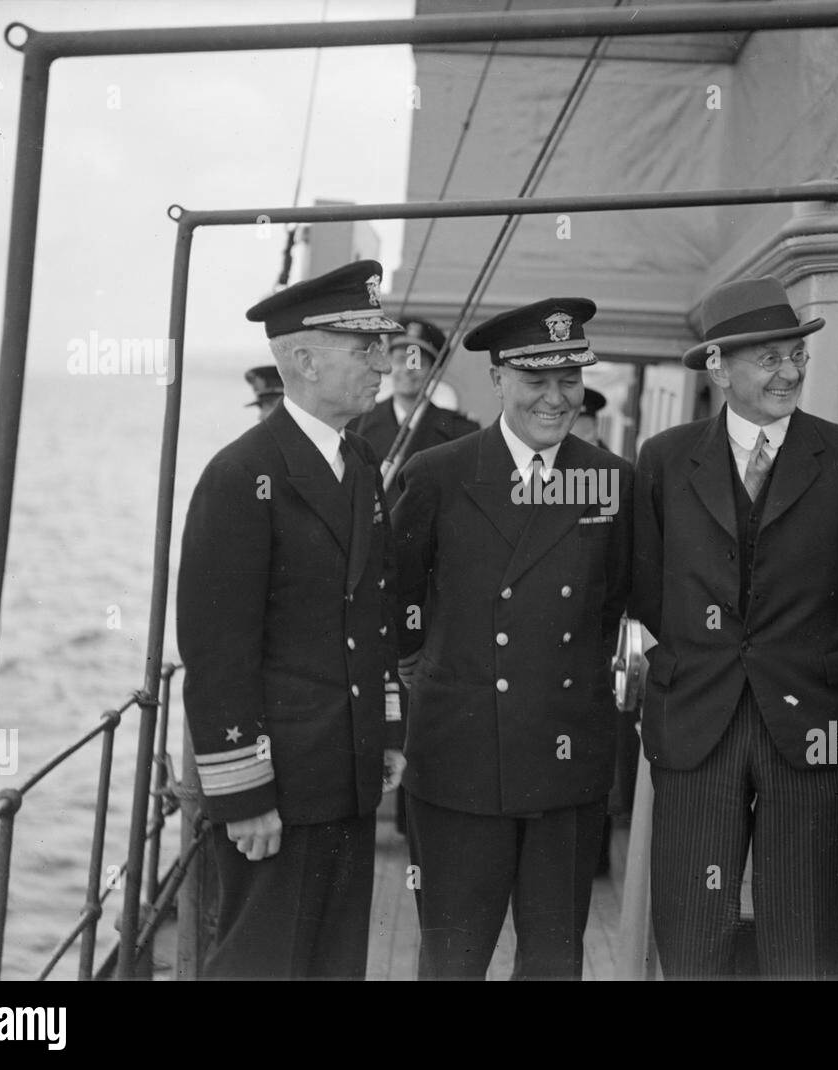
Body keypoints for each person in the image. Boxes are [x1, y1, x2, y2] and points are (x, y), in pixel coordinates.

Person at [630, 276, 838, 978]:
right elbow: (647, 588)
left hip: (811, 725)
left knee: (805, 937)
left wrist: (807, 661)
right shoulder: (663, 458)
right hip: (697, 723)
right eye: (769, 358)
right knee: (692, 932)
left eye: (796, 356)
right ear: (718, 365)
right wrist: (704, 659)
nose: (790, 372)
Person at [176, 260, 406, 979]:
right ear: (302, 360)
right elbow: (218, 652)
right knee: (261, 965)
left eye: (384, 347)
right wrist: (243, 795)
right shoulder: (241, 475)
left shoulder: (359, 461)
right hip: (275, 787)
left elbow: (372, 614)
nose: (384, 364)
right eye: (365, 348)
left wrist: (388, 730)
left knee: (334, 966)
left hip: (347, 771)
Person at [392, 297, 633, 979]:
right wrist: (432, 673)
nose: (555, 400)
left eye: (569, 380)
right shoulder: (438, 474)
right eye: (536, 381)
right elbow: (399, 607)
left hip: (566, 765)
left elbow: (613, 600)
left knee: (555, 960)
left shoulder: (611, 481)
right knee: (453, 959)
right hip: (459, 761)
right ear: (498, 379)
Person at [348, 317, 479, 508]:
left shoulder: (461, 433)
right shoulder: (357, 424)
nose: (408, 370)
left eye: (417, 362)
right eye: (401, 360)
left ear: (433, 370)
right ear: (389, 363)